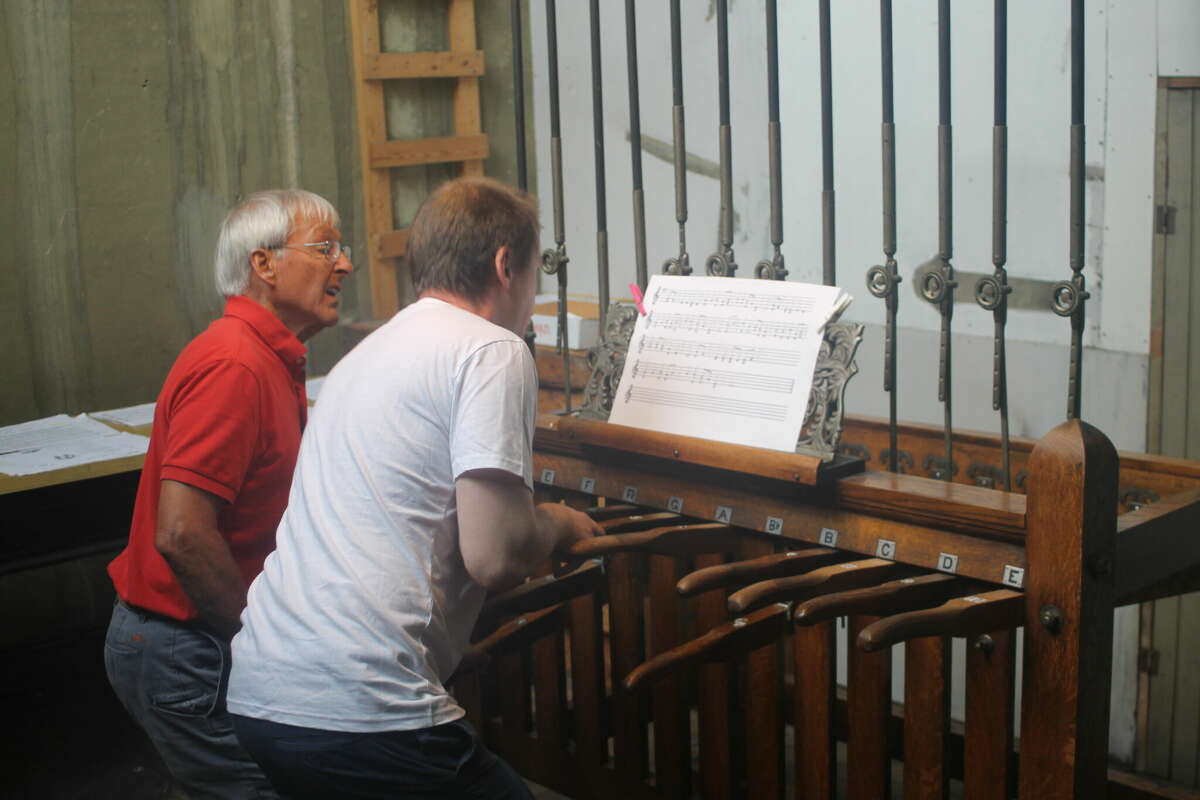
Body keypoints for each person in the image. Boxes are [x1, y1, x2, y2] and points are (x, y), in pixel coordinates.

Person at [226, 177, 601, 799]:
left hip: (262, 691)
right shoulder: (492, 350)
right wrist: (558, 521)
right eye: (536, 278)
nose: (531, 301)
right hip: (361, 704)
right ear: (505, 266)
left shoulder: (364, 356)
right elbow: (496, 558)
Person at [105, 189, 353, 799]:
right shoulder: (235, 365)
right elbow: (183, 533)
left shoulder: (271, 359)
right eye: (325, 248)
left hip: (196, 641)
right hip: (186, 648)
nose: (344, 264)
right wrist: (260, 639)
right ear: (264, 265)